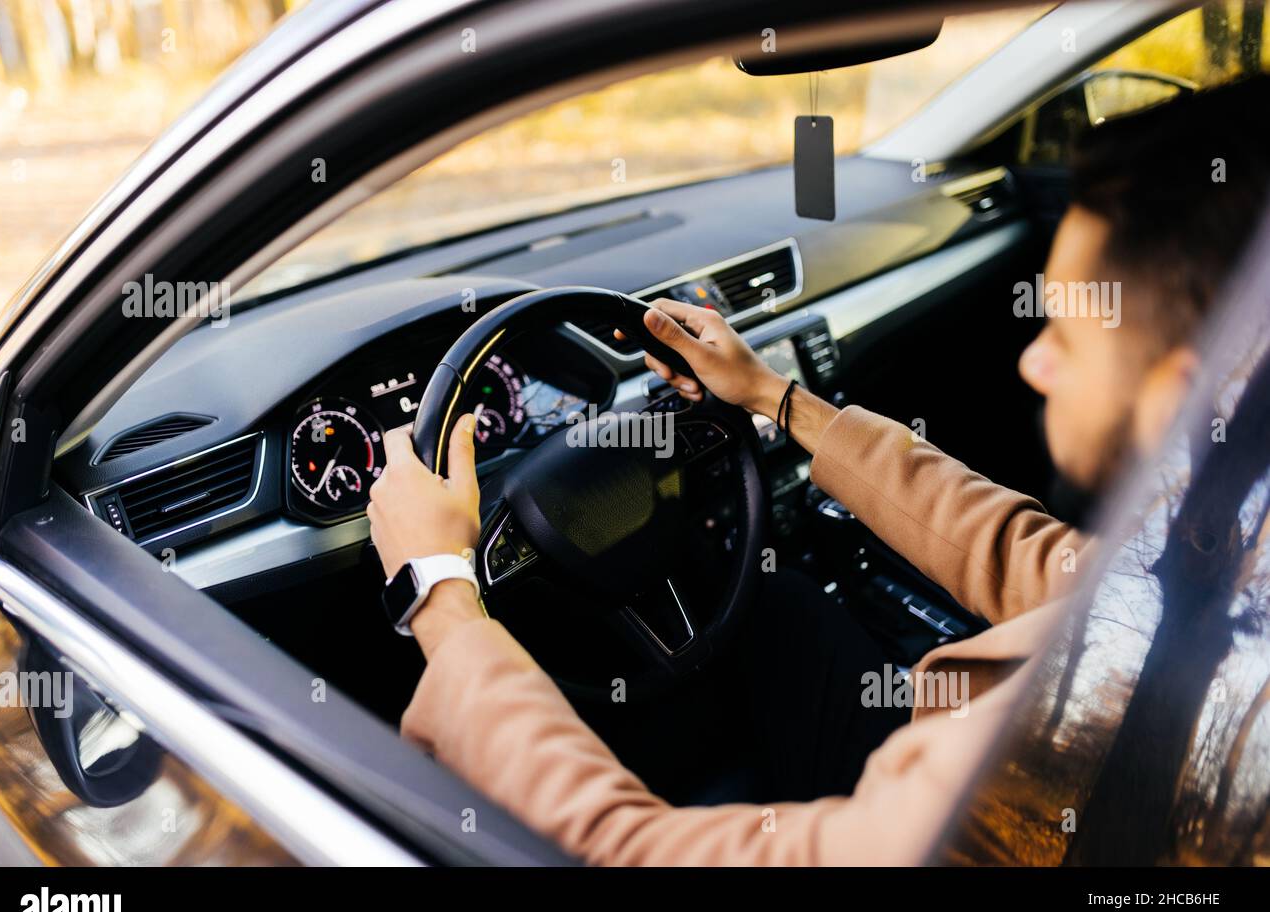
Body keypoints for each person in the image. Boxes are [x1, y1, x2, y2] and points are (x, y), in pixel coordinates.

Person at [366, 77, 1270, 864]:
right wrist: (775, 397)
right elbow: (1045, 562)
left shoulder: (1043, 761)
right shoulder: (1232, 553)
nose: (1033, 363)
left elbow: (622, 852)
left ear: (1184, 400)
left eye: (1067, 337)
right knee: (784, 606)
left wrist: (442, 589)